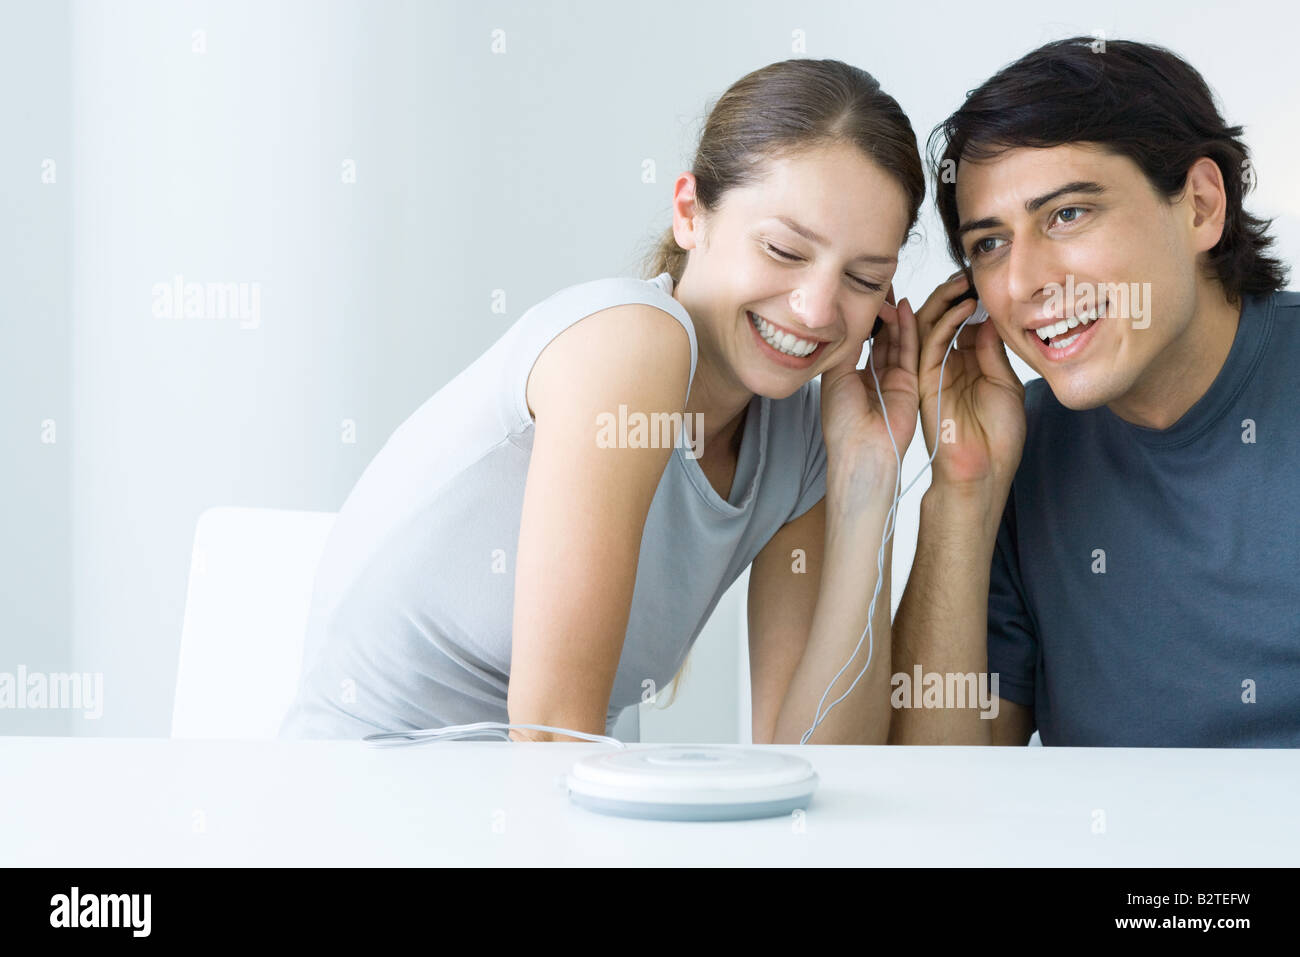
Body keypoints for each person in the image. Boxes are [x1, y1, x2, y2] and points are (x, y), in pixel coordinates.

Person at [279, 58, 926, 744]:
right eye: (784, 250)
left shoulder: (806, 435)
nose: (816, 309)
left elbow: (816, 759)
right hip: (374, 787)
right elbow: (550, 733)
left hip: (547, 790)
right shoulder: (632, 343)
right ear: (690, 214)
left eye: (864, 279)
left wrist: (868, 481)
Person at [891, 37, 1298, 747]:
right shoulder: (1021, 450)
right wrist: (962, 495)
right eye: (990, 244)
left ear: (1202, 206)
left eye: (1068, 214)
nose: (1025, 282)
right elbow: (941, 785)